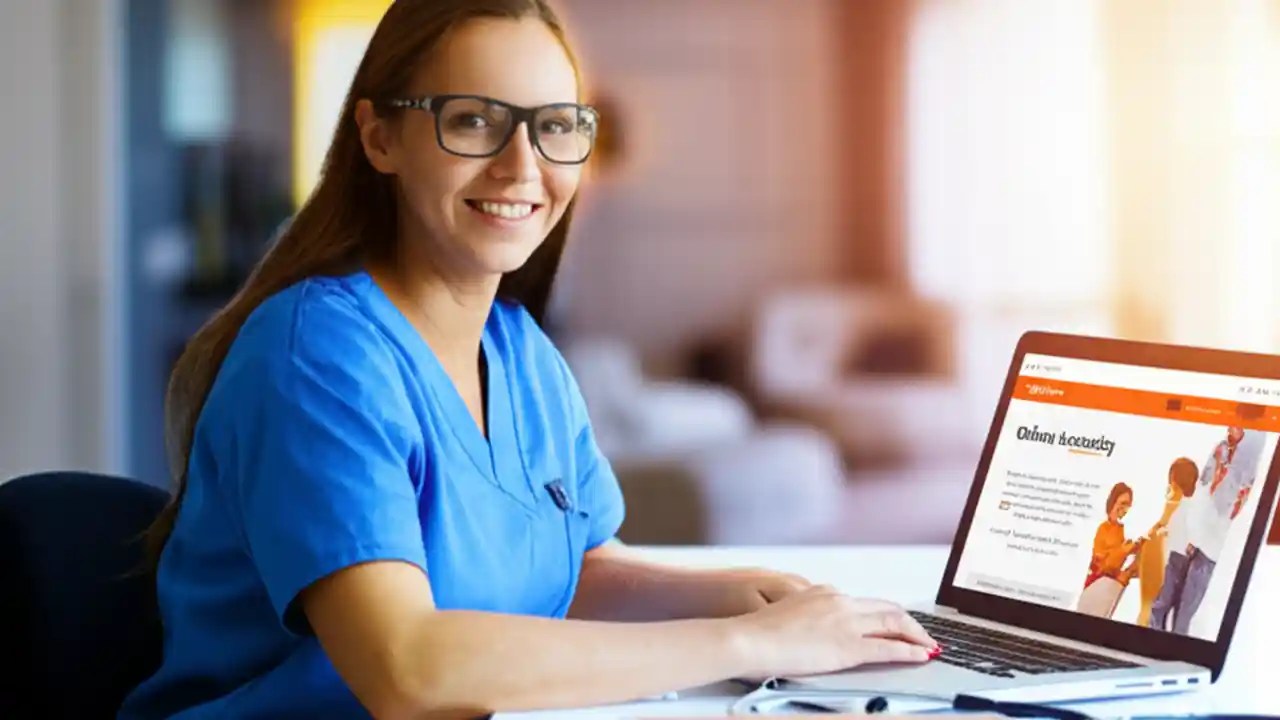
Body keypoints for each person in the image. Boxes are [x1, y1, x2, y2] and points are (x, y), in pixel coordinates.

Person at [117, 2, 937, 718]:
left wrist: (745, 595)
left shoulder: (520, 353)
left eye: (555, 125)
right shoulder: (316, 357)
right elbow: (406, 669)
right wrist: (738, 642)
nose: (522, 166)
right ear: (379, 137)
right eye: (473, 120)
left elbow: (568, 573)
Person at [1148, 426, 1262, 635]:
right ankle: (1159, 640)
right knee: (1170, 604)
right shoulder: (1204, 484)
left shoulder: (1225, 486)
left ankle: (1168, 644)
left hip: (1203, 551)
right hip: (1190, 551)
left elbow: (1215, 514)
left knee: (1180, 611)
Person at [1135, 457, 1198, 627]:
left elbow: (1160, 527)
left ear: (1174, 480)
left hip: (1173, 560)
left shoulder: (1177, 504)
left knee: (1157, 609)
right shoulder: (1191, 506)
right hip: (1181, 561)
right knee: (1165, 610)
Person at [1077, 483, 1143, 617]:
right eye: (1123, 503)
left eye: (1128, 505)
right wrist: (1124, 551)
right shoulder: (1103, 528)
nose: (1125, 509)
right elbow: (1103, 566)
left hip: (1111, 587)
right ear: (1113, 501)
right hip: (1096, 587)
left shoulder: (1122, 530)